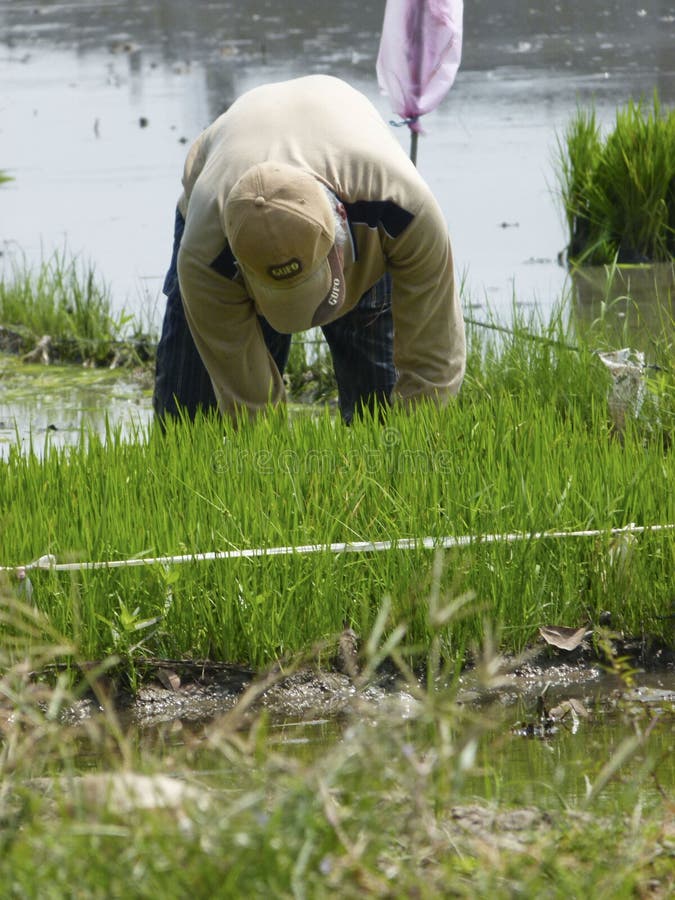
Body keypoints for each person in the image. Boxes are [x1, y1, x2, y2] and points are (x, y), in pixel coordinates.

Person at [153, 74, 466, 425]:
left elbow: (432, 365)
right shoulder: (205, 257)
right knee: (193, 421)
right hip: (226, 195)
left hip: (365, 222)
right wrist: (268, 469)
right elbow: (247, 405)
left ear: (339, 226)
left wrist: (409, 452)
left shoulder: (402, 207)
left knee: (379, 410)